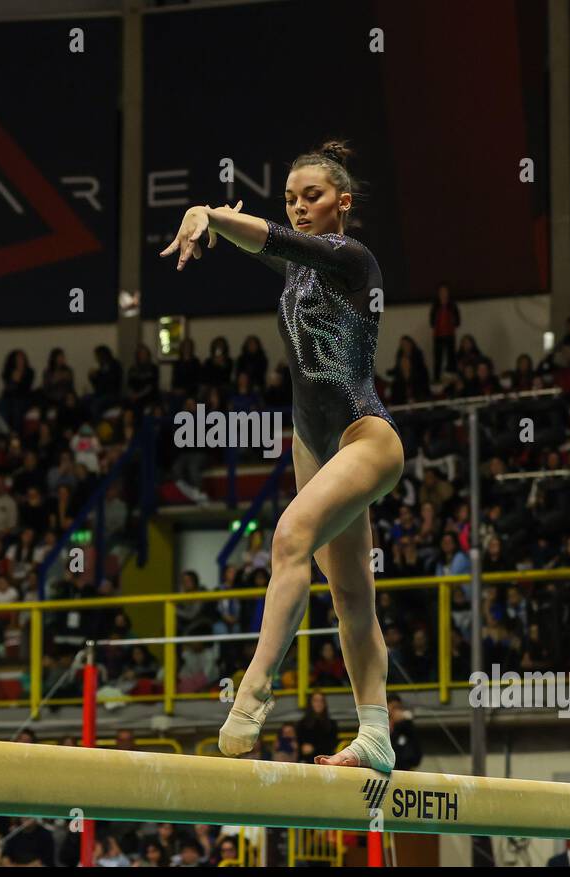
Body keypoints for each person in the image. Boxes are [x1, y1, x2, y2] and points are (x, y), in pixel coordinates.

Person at [162, 140, 404, 771]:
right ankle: (375, 732)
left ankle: (254, 689)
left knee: (290, 535)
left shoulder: (353, 259)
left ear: (342, 203)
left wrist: (211, 214)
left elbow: (273, 241)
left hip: (363, 437)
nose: (299, 208)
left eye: (313, 197)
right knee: (350, 592)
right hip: (311, 442)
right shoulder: (300, 269)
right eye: (291, 199)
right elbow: (268, 245)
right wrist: (218, 222)